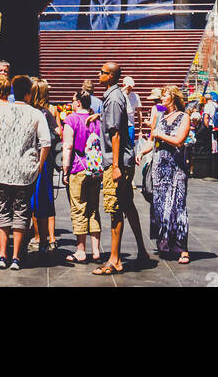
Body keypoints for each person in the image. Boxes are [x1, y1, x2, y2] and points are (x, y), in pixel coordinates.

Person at [0, 72, 50, 270]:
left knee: (3, 211)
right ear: (29, 94)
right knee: (21, 212)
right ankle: (16, 257)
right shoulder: (36, 114)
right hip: (25, 171)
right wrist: (39, 165)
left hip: (2, 169)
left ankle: (2, 254)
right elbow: (46, 143)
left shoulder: (1, 112)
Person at [93, 60, 136, 276]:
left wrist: (116, 165)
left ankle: (114, 259)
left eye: (101, 72)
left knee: (114, 208)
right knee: (127, 204)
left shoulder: (113, 99)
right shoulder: (115, 96)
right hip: (122, 159)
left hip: (116, 161)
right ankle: (143, 252)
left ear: (110, 76)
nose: (98, 75)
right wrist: (98, 116)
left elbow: (116, 133)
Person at [149, 84, 191, 262]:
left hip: (176, 167)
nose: (161, 99)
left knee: (177, 205)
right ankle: (165, 243)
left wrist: (160, 135)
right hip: (159, 166)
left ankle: (182, 248)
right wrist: (140, 152)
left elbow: (179, 141)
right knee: (159, 205)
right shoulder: (160, 116)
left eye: (164, 96)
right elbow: (152, 139)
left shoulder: (184, 117)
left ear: (173, 98)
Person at [61, 88, 102, 265]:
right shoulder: (96, 121)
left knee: (78, 207)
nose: (71, 102)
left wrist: (65, 170)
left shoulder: (71, 119)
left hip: (78, 169)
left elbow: (68, 146)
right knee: (93, 208)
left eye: (72, 99)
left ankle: (80, 250)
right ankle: (96, 250)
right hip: (95, 169)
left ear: (78, 102)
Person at [29, 78, 59, 254]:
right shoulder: (48, 112)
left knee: (36, 199)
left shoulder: (37, 113)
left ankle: (39, 237)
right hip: (45, 160)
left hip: (36, 158)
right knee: (44, 198)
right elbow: (57, 132)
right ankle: (48, 237)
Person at [122, 76, 142, 145]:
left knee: (130, 145)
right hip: (121, 124)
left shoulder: (136, 96)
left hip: (130, 124)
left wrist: (140, 127)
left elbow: (139, 112)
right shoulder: (120, 94)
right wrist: (125, 88)